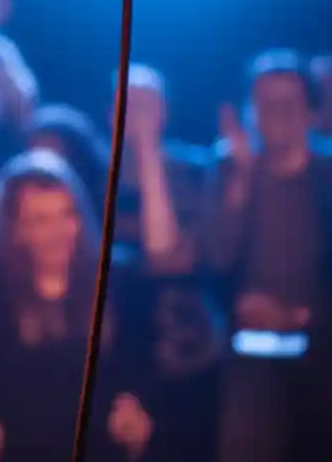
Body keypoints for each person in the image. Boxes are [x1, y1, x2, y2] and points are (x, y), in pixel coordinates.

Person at [205, 49, 332, 462]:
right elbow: (215, 258)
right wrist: (242, 180)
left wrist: (304, 317)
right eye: (264, 103)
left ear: (312, 113)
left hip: (326, 354)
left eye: (289, 103)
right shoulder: (229, 168)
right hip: (251, 358)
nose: (276, 113)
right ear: (248, 111)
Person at [0, 150, 153, 462]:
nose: (59, 233)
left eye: (67, 215)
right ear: (17, 231)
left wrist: (136, 413)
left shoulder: (118, 284)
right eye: (40, 220)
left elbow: (140, 375)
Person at [108, 65, 221, 462]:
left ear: (165, 112)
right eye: (127, 103)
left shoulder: (196, 170)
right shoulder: (95, 174)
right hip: (117, 357)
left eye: (146, 105)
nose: (136, 114)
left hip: (184, 357)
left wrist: (147, 152)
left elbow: (168, 257)